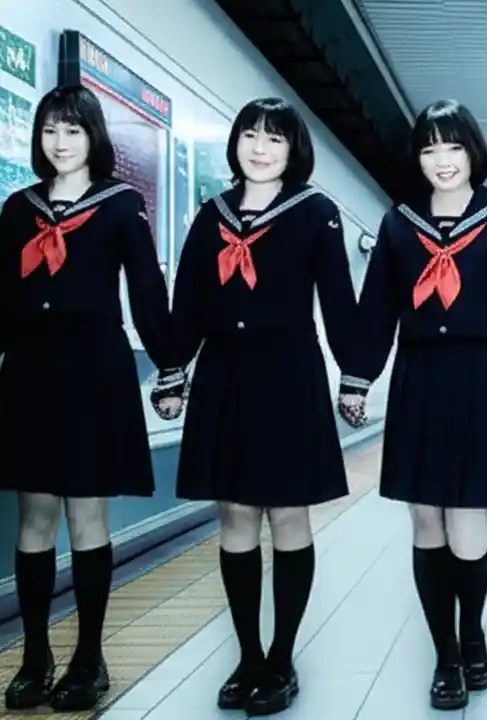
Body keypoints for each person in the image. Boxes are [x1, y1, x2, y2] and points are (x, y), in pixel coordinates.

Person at [345, 99, 487, 711]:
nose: (441, 161)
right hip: (422, 376)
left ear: (473, 150)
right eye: (428, 148)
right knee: (426, 520)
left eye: (452, 147)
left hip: (484, 377)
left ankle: (472, 632)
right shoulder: (399, 224)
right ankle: (444, 653)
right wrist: (358, 378)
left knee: (469, 522)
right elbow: (377, 310)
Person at [164, 97, 367, 716]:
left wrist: (355, 378)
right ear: (236, 144)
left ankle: (281, 658)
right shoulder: (212, 214)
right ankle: (247, 656)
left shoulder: (316, 214)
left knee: (288, 516)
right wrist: (172, 373)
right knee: (234, 516)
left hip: (289, 375)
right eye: (250, 135)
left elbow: (338, 303)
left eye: (274, 138)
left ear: (292, 150)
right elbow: (188, 302)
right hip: (225, 373)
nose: (260, 147)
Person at [0, 84, 184, 712]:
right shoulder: (17, 208)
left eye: (73, 131)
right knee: (34, 516)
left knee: (85, 515)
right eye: (50, 130)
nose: (60, 142)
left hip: (94, 369)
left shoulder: (121, 205)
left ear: (94, 138)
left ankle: (89, 656)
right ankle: (33, 654)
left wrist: (170, 366)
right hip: (29, 370)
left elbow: (147, 292)